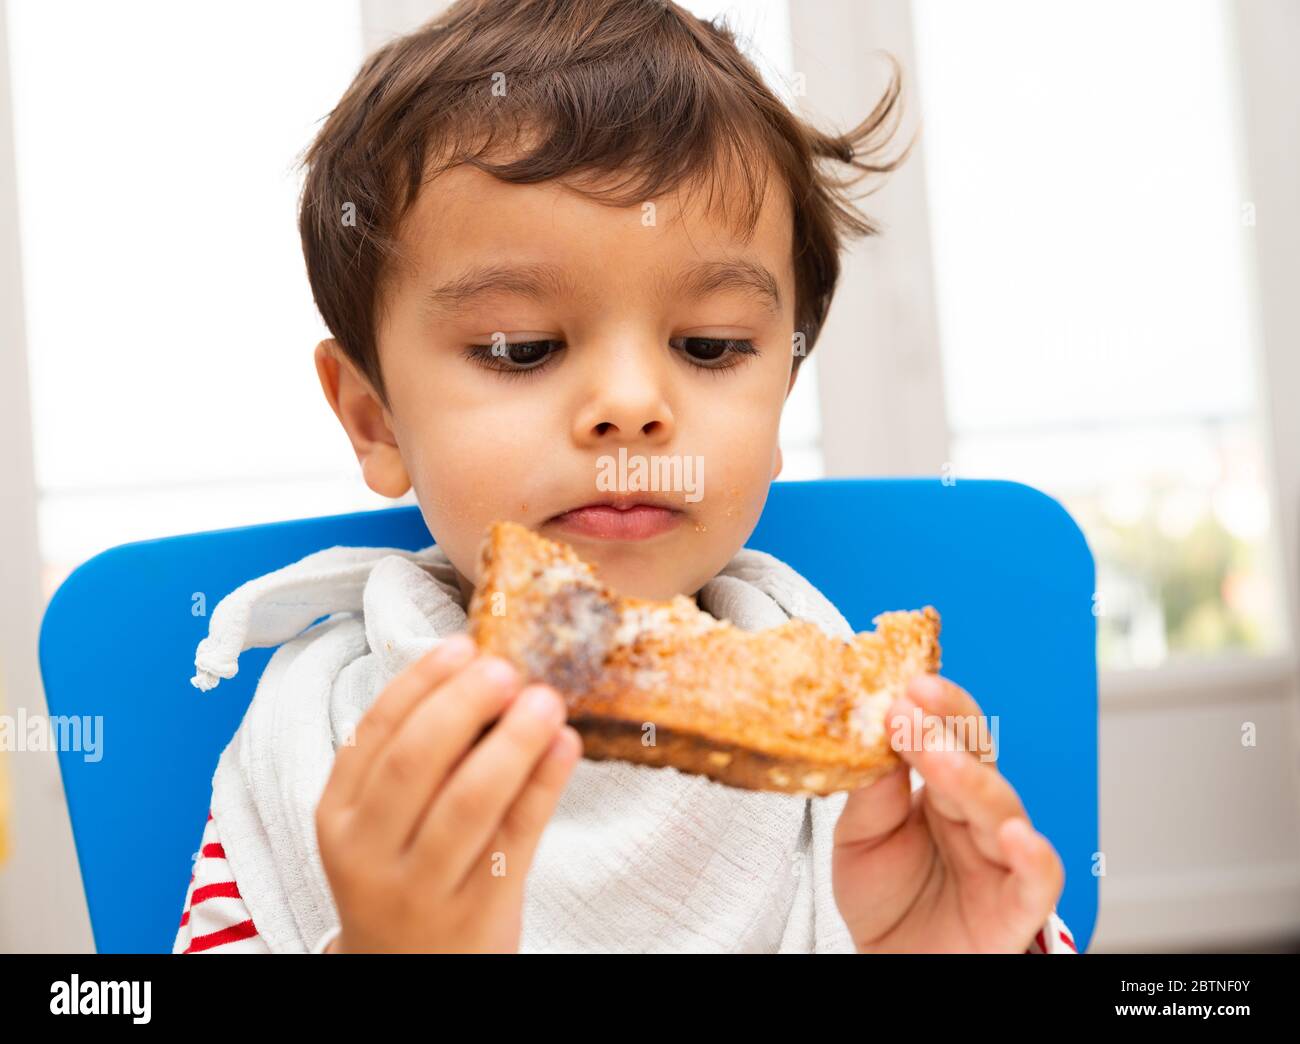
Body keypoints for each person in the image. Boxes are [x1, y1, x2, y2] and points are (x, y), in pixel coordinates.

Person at [174, 0, 1078, 955]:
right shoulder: (314, 747)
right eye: (521, 349)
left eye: (710, 346)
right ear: (373, 417)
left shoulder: (880, 765)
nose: (632, 405)